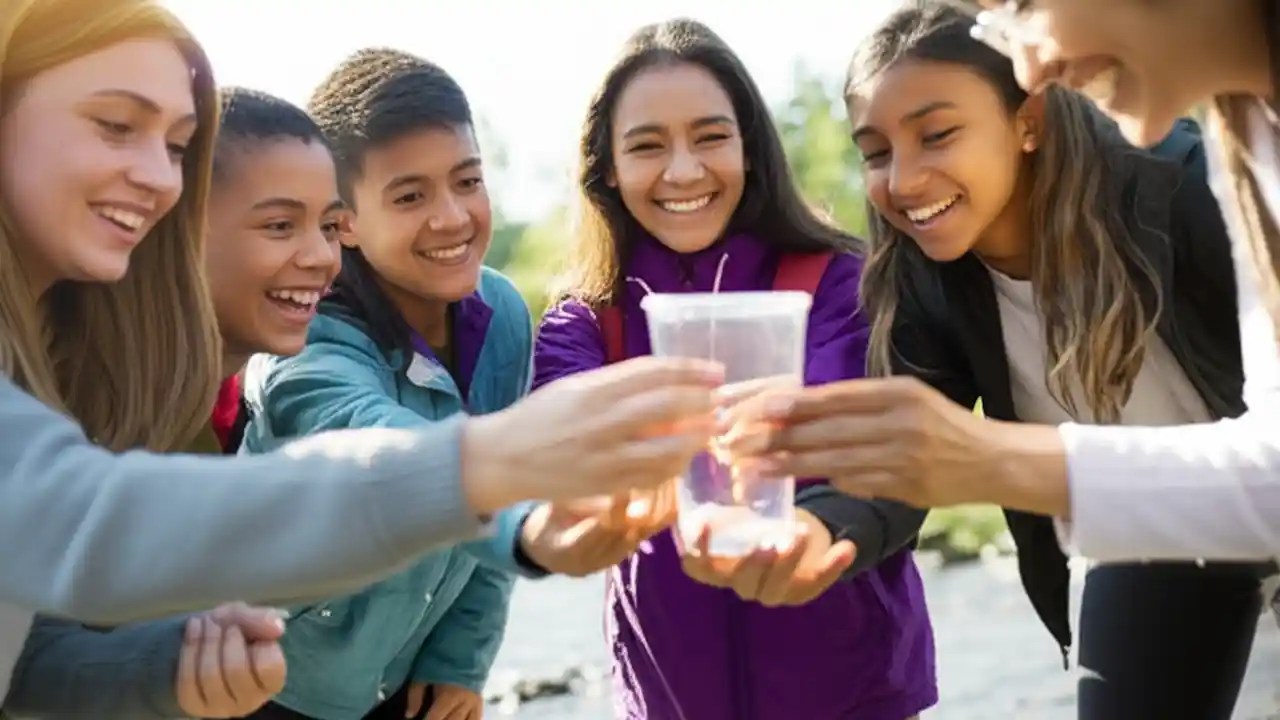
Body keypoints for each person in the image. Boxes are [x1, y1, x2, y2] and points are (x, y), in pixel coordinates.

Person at [0, 0, 723, 702]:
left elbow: (35, 651)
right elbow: (92, 522)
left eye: (178, 147)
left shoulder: (119, 375)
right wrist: (493, 471)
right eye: (116, 125)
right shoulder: (307, 347)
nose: (162, 179)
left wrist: (170, 670)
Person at [733, 6, 1268, 718]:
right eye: (875, 152)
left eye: (938, 134)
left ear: (1029, 121)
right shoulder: (924, 279)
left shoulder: (1183, 187)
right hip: (1145, 530)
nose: (903, 179)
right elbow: (902, 459)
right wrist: (816, 527)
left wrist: (990, 459)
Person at [532, 18, 937, 720]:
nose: (684, 170)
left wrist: (686, 432)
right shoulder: (586, 320)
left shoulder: (839, 281)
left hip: (855, 694)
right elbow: (561, 442)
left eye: (711, 136)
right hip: (672, 699)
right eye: (647, 146)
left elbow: (851, 441)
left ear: (751, 148)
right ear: (607, 168)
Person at [4, 85, 349, 719]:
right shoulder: (64, 407)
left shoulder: (224, 407)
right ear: (176, 233)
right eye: (280, 226)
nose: (322, 258)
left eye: (330, 226)